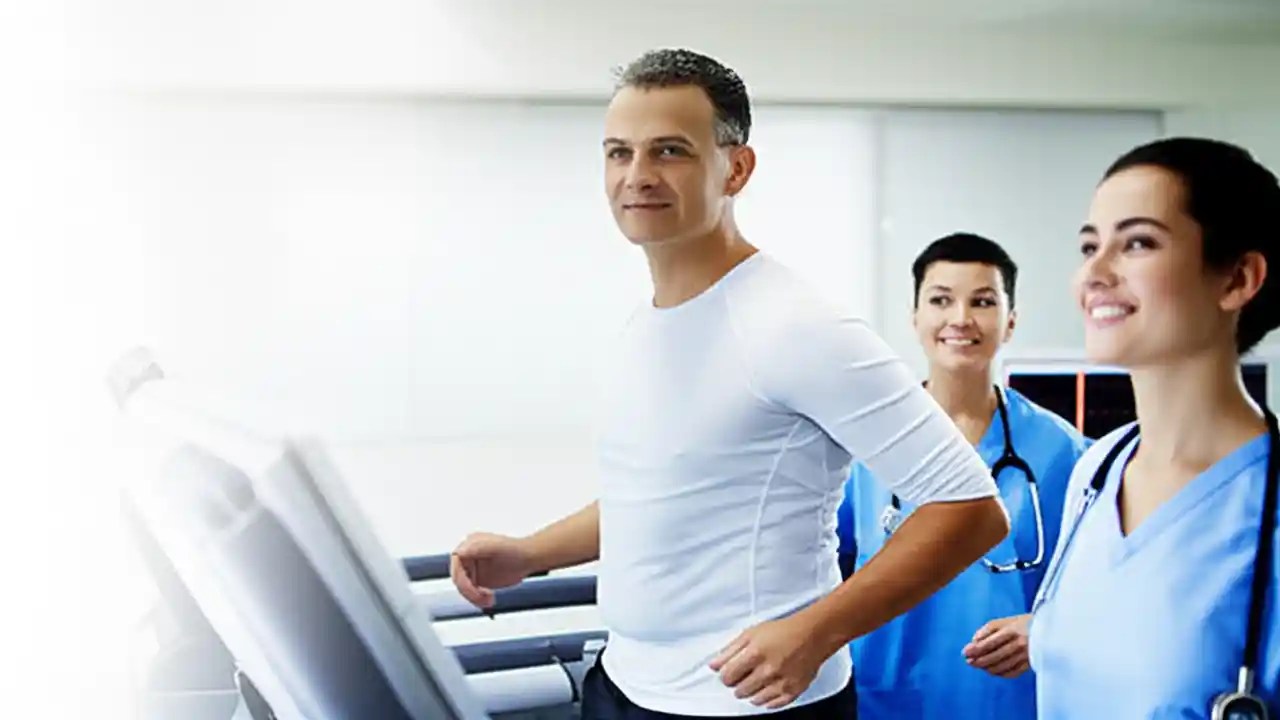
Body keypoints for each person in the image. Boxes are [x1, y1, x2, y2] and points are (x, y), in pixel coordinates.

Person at [447, 48, 1010, 718]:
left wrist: (818, 631)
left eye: (669, 151)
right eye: (618, 152)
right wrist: (528, 553)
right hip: (623, 684)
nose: (637, 175)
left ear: (735, 168)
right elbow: (662, 492)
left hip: (751, 705)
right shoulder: (646, 324)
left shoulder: (797, 325)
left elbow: (970, 508)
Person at [1028, 137, 1280, 718]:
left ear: (1238, 279)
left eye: (1137, 242)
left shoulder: (1266, 502)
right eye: (1089, 246)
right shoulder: (1098, 468)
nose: (1093, 273)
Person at [836, 233, 1091, 719]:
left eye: (983, 302)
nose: (960, 319)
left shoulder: (1063, 450)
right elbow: (821, 569)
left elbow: (1098, 587)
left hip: (1008, 701)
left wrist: (1047, 626)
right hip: (884, 699)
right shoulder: (863, 442)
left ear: (1010, 322)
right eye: (941, 300)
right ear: (915, 318)